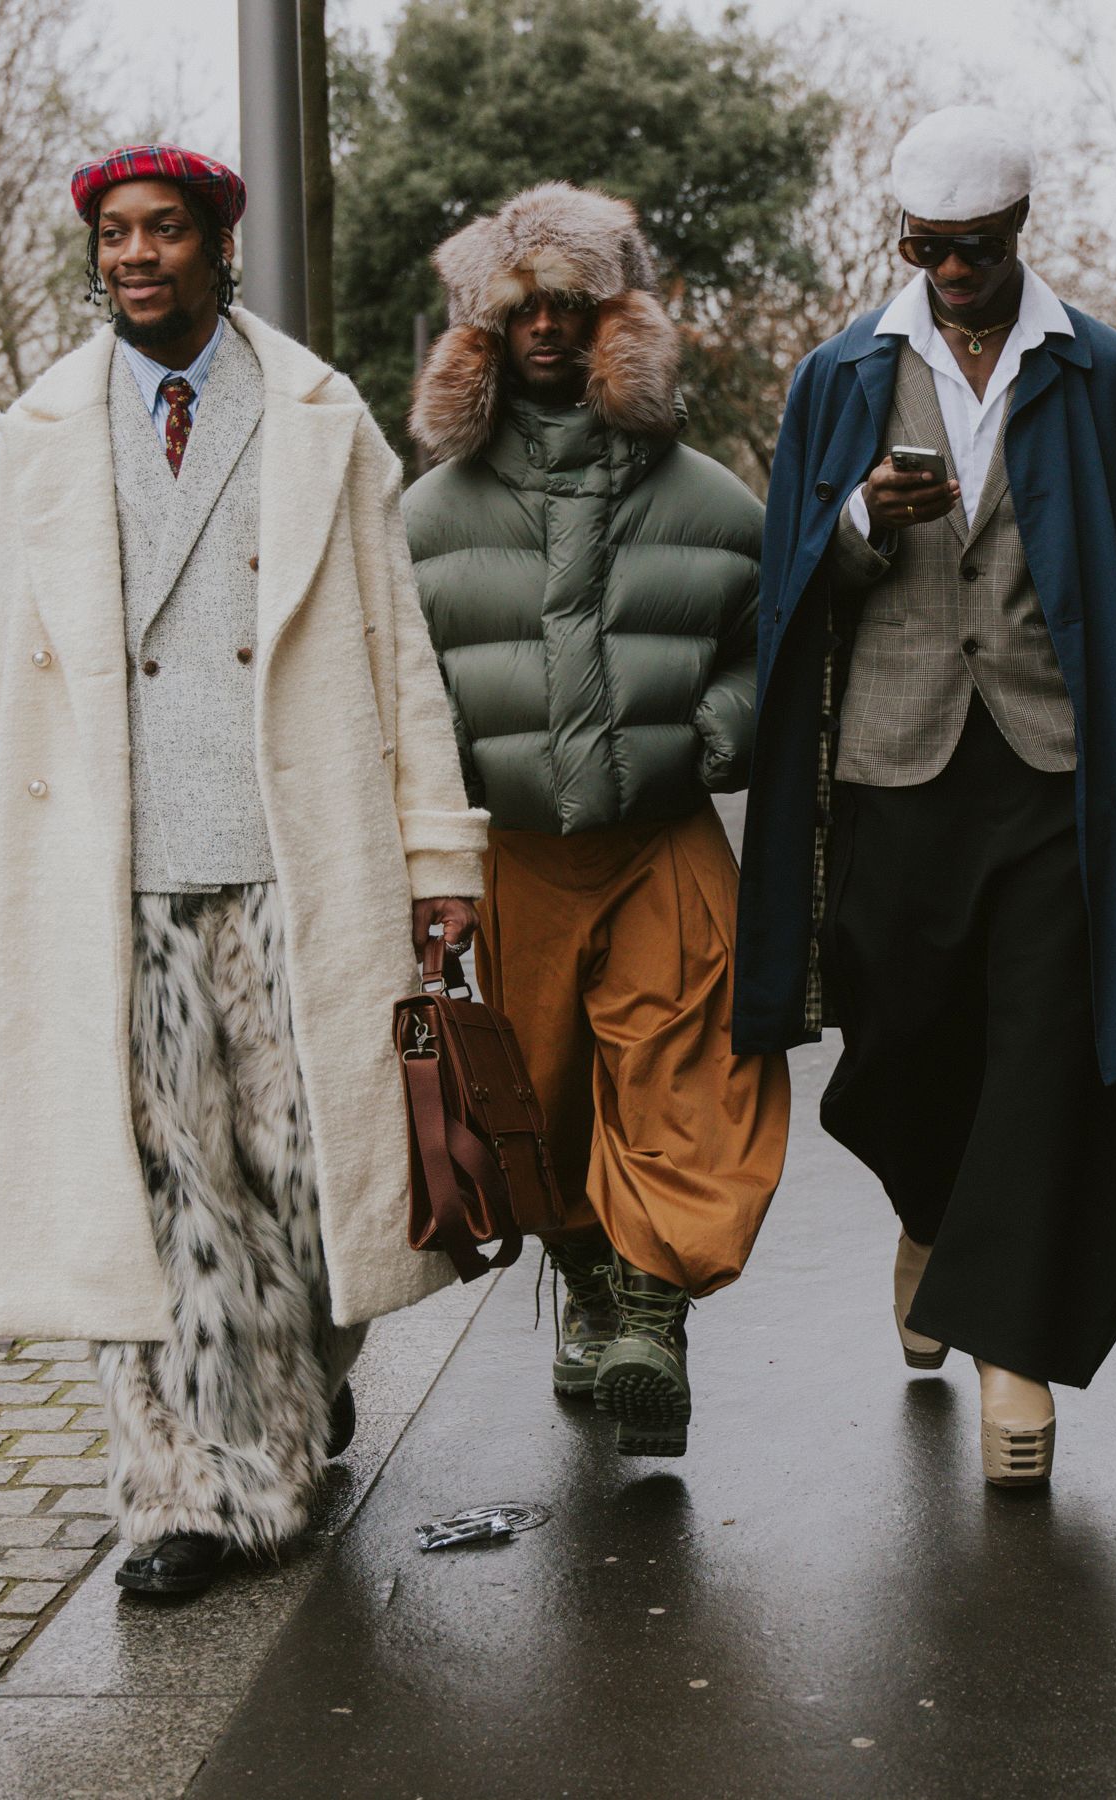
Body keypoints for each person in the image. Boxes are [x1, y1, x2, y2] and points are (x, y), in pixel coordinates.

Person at [0, 144, 488, 1596]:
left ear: (216, 244)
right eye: (115, 234)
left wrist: (439, 856)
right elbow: (4, 700)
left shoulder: (320, 418)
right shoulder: (36, 436)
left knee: (321, 1190)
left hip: (300, 864)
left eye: (164, 230)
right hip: (114, 881)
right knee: (173, 1201)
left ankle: (297, 1387)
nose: (135, 254)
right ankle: (190, 1498)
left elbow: (398, 652)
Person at [736, 106, 1116, 1487]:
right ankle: (931, 1215)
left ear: (1018, 231)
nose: (949, 270)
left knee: (1044, 1051)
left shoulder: (1109, 376)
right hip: (891, 761)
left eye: (974, 247)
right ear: (903, 238)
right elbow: (785, 575)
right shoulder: (838, 375)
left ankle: (1011, 1360)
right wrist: (861, 523)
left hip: (1054, 768)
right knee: (899, 1037)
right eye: (926, 246)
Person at [403, 184, 786, 1459]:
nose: (548, 330)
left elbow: (777, 643)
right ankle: (588, 1290)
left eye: (574, 305)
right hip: (510, 856)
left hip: (661, 843)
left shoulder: (709, 499)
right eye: (520, 311)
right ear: (482, 335)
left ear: (619, 322)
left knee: (692, 1078)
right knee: (543, 1096)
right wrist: (431, 831)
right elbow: (390, 692)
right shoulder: (426, 521)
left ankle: (652, 1319)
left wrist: (718, 728)